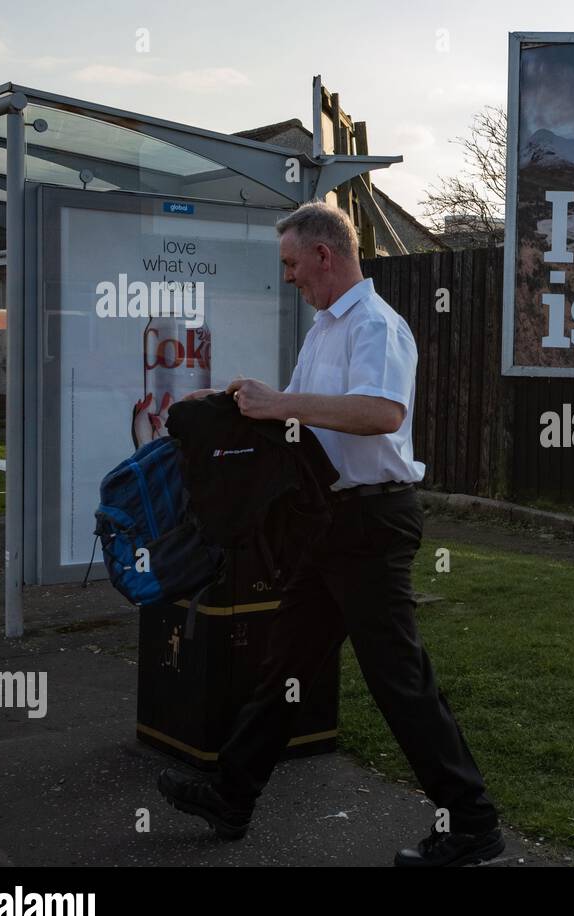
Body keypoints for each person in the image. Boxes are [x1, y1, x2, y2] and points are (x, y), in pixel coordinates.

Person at [157, 200, 503, 867]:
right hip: (328, 521)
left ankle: (473, 825)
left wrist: (279, 402)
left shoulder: (376, 325)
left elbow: (380, 412)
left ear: (324, 254)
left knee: (398, 679)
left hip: (372, 522)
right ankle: (232, 795)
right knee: (284, 662)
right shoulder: (324, 329)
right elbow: (301, 427)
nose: (287, 277)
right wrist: (233, 410)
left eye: (290, 263)